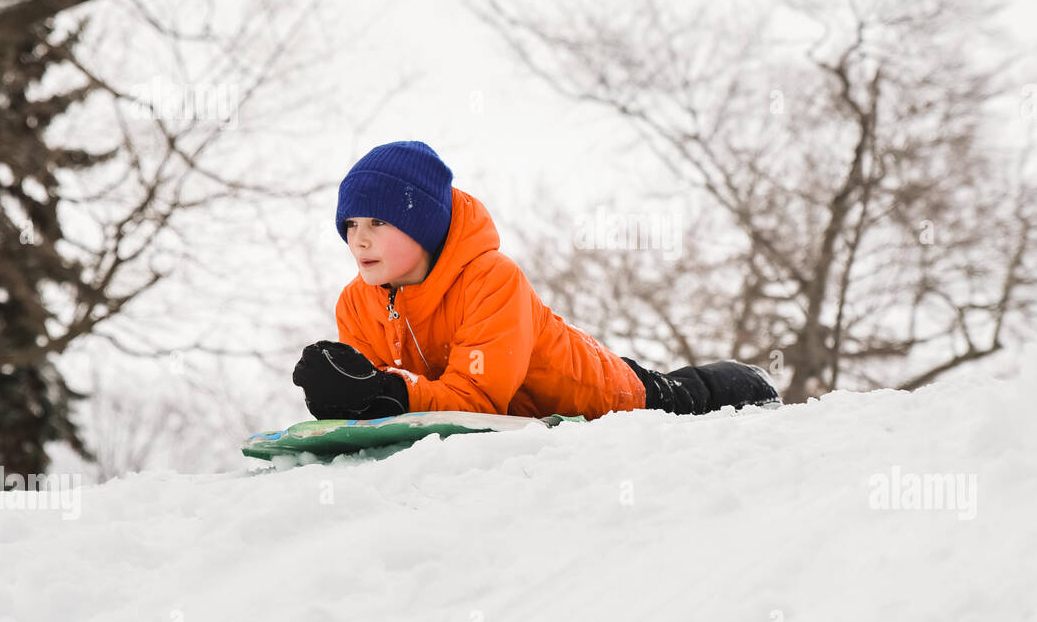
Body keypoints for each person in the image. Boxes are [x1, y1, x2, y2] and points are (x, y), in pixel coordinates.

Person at [291, 140, 781, 421]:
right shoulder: (357, 303)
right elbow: (387, 401)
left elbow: (476, 400)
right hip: (522, 412)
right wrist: (354, 396)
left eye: (378, 223)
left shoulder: (490, 279)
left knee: (680, 400)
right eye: (351, 225)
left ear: (423, 226)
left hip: (602, 395)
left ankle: (752, 381)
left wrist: (388, 392)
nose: (359, 240)